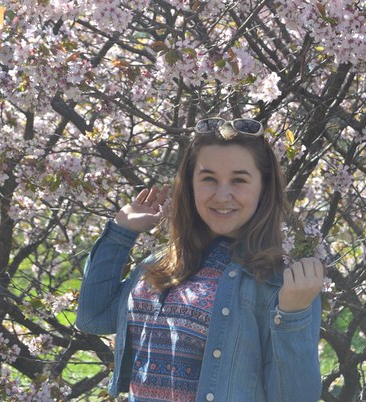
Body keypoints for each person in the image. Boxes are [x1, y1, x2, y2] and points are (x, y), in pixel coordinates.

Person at [75, 117, 324, 402]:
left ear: (264, 188)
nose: (222, 195)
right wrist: (120, 233)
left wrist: (292, 315)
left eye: (239, 180)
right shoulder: (162, 262)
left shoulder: (277, 282)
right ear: (190, 185)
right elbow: (92, 319)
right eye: (209, 179)